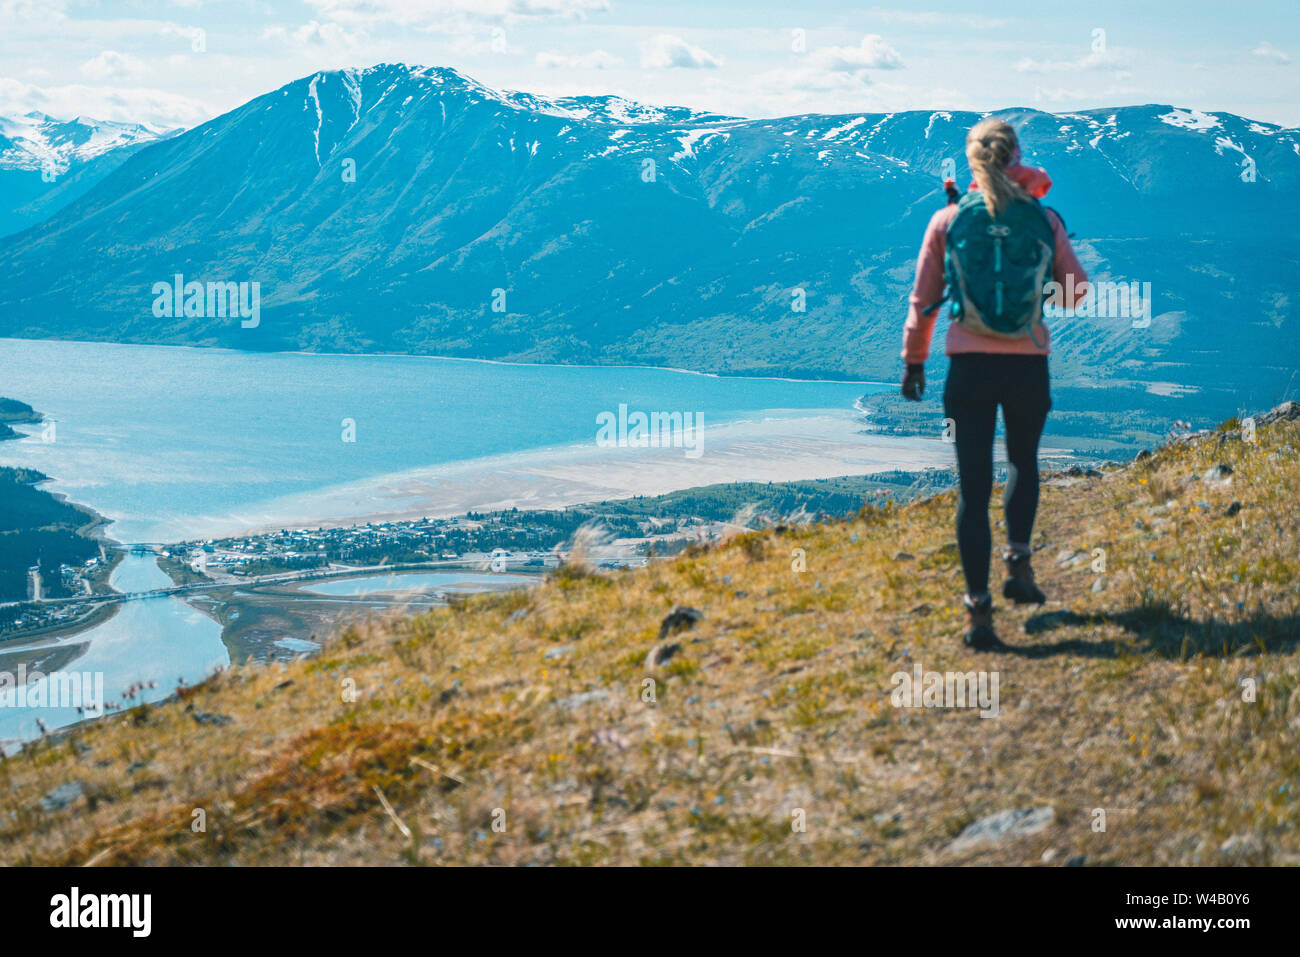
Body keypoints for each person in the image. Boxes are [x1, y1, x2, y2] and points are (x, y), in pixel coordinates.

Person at [900, 118, 1089, 650]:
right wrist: (1038, 290)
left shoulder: (949, 218)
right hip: (1027, 364)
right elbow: (1076, 292)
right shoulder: (1043, 217)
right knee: (1023, 464)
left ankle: (978, 613)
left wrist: (914, 362)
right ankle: (1019, 566)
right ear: (1017, 157)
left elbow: (923, 302)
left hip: (968, 371)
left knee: (972, 485)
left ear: (972, 162)